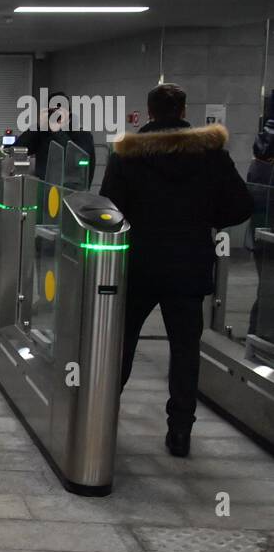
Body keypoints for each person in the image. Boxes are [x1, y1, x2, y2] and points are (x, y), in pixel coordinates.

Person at [100, 83, 252, 457]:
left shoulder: (127, 155)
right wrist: (204, 219)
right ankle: (180, 431)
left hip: (138, 264)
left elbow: (108, 210)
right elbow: (241, 205)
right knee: (185, 350)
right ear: (183, 110)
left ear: (149, 113)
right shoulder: (211, 154)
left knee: (121, 344)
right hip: (189, 264)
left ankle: (102, 420)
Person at [15, 93, 97, 186]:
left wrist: (58, 131)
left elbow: (76, 161)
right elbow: (17, 150)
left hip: (72, 192)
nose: (55, 115)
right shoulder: (43, 134)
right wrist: (38, 126)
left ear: (69, 114)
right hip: (45, 190)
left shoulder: (82, 135)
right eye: (51, 112)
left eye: (59, 111)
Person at [243, 95, 274, 336]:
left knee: (266, 292)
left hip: (261, 234)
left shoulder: (260, 155)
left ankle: (257, 341)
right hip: (266, 233)